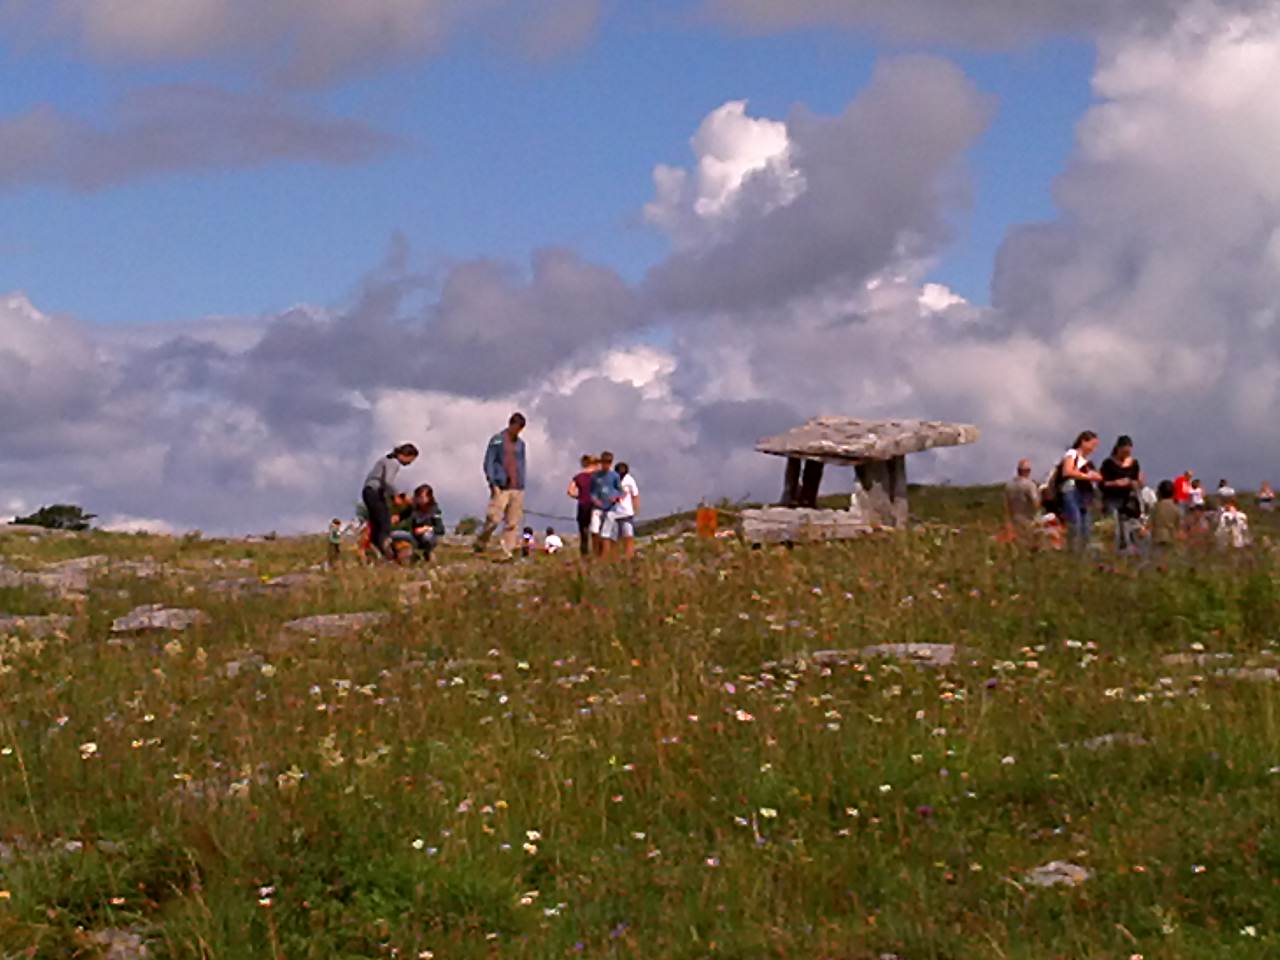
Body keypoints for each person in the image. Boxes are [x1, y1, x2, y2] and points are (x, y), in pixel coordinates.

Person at [475, 413, 527, 558]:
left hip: (517, 486)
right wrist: (492, 482)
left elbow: (522, 463)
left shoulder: (521, 444)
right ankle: (481, 542)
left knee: (512, 522)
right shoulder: (497, 440)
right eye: (516, 427)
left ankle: (507, 551)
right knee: (494, 518)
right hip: (500, 485)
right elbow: (489, 461)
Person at [362, 444, 419, 560]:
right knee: (384, 523)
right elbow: (388, 482)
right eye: (411, 460)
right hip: (374, 492)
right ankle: (386, 551)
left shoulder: (386, 460)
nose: (410, 463)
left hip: (370, 492)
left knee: (376, 523)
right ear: (405, 455)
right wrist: (397, 495)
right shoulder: (394, 463)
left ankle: (373, 550)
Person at [1057, 431, 1103, 552]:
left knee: (1086, 526)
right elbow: (1067, 471)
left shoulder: (1087, 462)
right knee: (1075, 523)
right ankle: (1072, 551)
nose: (1093, 448)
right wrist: (1088, 476)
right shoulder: (1072, 454)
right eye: (1092, 444)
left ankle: (1082, 553)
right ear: (1083, 442)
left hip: (1083, 495)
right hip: (1071, 490)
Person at [1100, 435, 1143, 554]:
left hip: (1128, 501)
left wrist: (1134, 483)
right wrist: (1115, 483)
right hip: (1112, 498)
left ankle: (1128, 551)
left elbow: (1138, 481)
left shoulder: (1134, 463)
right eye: (1124, 452)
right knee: (1114, 528)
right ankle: (1113, 550)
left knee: (1128, 527)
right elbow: (1101, 484)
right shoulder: (1108, 463)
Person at [391, 484, 444, 562]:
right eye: (418, 497)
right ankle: (406, 555)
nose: (419, 500)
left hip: (429, 538)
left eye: (422, 497)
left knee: (426, 536)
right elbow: (401, 516)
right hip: (414, 537)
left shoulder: (434, 510)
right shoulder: (414, 508)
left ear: (428, 498)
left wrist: (426, 528)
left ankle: (428, 552)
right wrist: (395, 518)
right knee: (393, 535)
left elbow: (441, 529)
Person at [590, 451, 623, 559]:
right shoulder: (595, 476)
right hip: (598, 506)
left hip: (611, 507)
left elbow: (620, 491)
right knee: (594, 530)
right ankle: (595, 553)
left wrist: (616, 497)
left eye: (608, 462)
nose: (606, 464)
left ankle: (604, 557)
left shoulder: (615, 476)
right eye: (604, 462)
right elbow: (592, 491)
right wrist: (594, 500)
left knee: (606, 533)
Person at [606, 461, 641, 559]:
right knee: (613, 537)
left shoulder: (629, 480)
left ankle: (629, 556)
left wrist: (636, 508)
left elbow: (635, 495)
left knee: (628, 536)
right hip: (613, 513)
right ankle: (613, 557)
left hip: (626, 513)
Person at [567, 454, 598, 558]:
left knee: (583, 531)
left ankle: (584, 554)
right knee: (597, 530)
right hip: (596, 505)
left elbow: (570, 491)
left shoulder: (578, 477)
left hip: (583, 505)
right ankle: (597, 553)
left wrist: (579, 496)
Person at [1004, 459, 1041, 541]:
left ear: (1018, 470)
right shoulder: (1030, 485)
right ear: (1028, 471)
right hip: (1030, 520)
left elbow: (1007, 505)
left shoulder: (1009, 486)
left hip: (1016, 521)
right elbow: (1036, 503)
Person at [1151, 479, 1181, 553]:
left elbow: (1150, 523)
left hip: (1157, 537)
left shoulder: (1156, 507)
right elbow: (1178, 525)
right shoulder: (1176, 508)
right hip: (1171, 537)